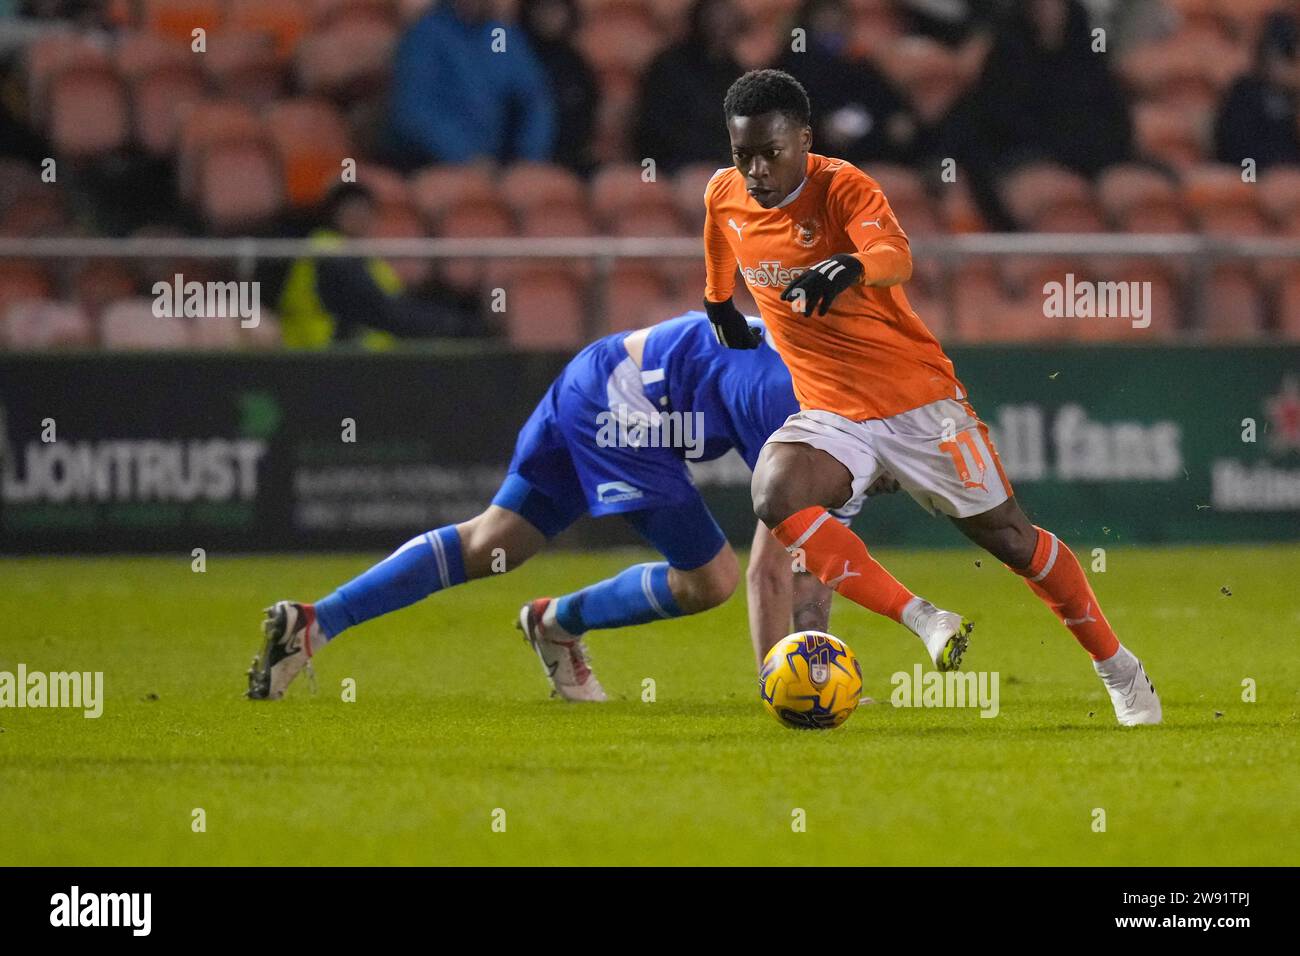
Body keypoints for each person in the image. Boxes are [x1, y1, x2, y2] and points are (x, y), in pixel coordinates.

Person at [701, 69, 1161, 725]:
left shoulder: (843, 188)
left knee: (1012, 540)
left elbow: (894, 253)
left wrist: (849, 266)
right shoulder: (726, 192)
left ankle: (1119, 668)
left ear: (803, 140)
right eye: (740, 154)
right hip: (832, 412)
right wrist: (718, 300)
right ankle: (924, 617)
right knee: (777, 493)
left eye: (769, 154)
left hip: (917, 401)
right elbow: (722, 229)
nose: (754, 171)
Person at [251, 312, 965, 703]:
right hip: (627, 408)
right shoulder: (804, 414)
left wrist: (812, 656)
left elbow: (809, 567)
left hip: (597, 373)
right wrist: (782, 686)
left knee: (494, 542)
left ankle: (313, 623)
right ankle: (558, 625)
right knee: (710, 578)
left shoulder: (844, 403)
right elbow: (773, 575)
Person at [275, 183, 479, 348]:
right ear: (334, 216)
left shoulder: (372, 261)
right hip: (319, 355)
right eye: (350, 211)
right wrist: (455, 326)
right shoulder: (327, 252)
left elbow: (397, 309)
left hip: (368, 361)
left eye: (364, 211)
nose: (359, 219)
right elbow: (385, 312)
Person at [388, 0, 555, 167]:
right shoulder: (427, 35)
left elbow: (533, 97)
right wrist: (464, 155)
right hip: (434, 161)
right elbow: (414, 111)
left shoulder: (498, 35)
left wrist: (530, 154)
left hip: (497, 161)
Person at [775, 0, 916, 164]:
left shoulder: (856, 59)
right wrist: (820, 127)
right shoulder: (795, 61)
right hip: (815, 143)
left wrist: (896, 114)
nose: (833, 20)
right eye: (825, 15)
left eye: (838, 15)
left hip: (867, 139)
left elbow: (881, 95)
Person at [631, 0, 744, 173]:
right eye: (716, 17)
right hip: (672, 162)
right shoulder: (669, 66)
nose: (722, 25)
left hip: (721, 162)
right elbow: (655, 127)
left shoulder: (736, 72)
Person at [519, 0, 600, 176]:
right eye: (544, 10)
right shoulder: (516, 57)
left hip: (570, 159)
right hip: (520, 161)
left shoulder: (576, 64)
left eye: (557, 10)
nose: (551, 17)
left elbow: (587, 111)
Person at [1214, 11, 1300, 171]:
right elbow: (1234, 148)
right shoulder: (1244, 91)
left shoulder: (1295, 94)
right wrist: (1254, 181)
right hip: (1251, 173)